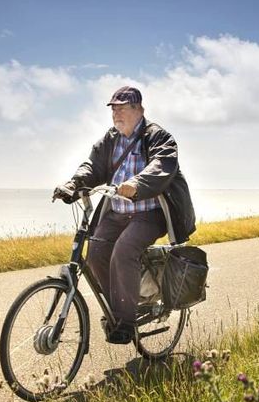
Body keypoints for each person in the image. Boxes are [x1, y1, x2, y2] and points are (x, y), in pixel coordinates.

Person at [54, 86, 196, 344]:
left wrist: (137, 184)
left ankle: (126, 322)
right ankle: (118, 310)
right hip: (118, 212)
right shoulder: (110, 139)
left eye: (122, 108)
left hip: (150, 212)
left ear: (139, 109)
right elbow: (92, 167)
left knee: (124, 249)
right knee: (95, 254)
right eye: (114, 108)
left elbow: (162, 165)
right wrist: (73, 185)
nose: (116, 113)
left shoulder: (158, 136)